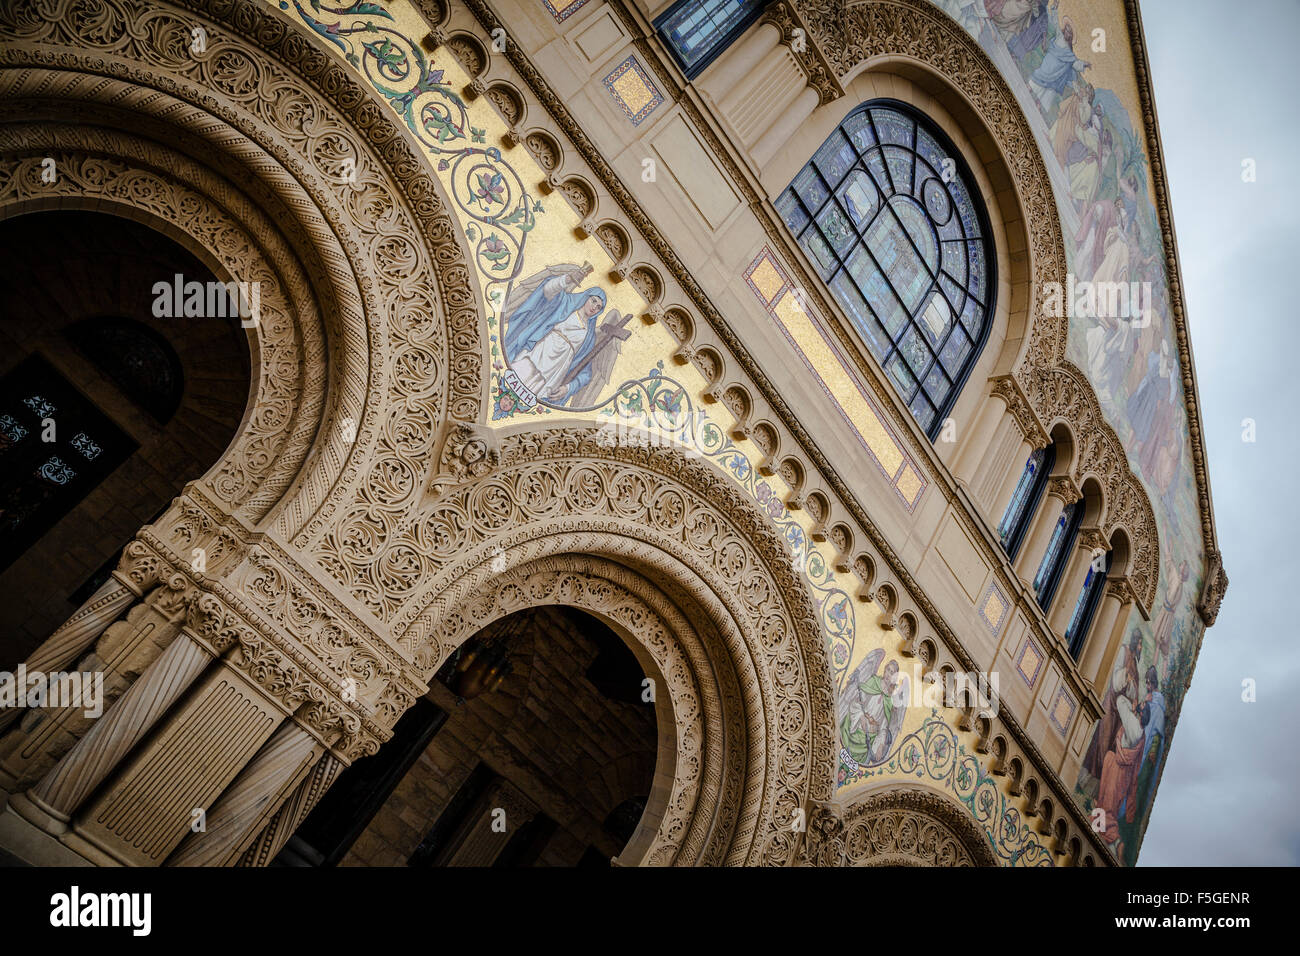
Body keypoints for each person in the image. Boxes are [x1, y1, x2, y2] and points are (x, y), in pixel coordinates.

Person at [503, 267, 607, 404]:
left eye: (599, 307)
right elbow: (547, 291)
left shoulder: (590, 337)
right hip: (540, 352)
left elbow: (586, 372)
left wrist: (568, 388)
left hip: (555, 370)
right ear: (587, 297)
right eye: (593, 301)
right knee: (518, 374)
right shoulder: (567, 304)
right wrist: (568, 279)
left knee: (531, 394)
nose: (594, 307)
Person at [1030, 18, 1090, 115]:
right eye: (1066, 30)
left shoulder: (1069, 52)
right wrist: (1054, 8)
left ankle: (1037, 110)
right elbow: (1055, 22)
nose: (1067, 33)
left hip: (1055, 76)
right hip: (1046, 67)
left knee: (1047, 94)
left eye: (1069, 33)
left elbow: (1074, 63)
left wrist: (1084, 64)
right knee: (1033, 83)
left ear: (1071, 36)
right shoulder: (1059, 35)